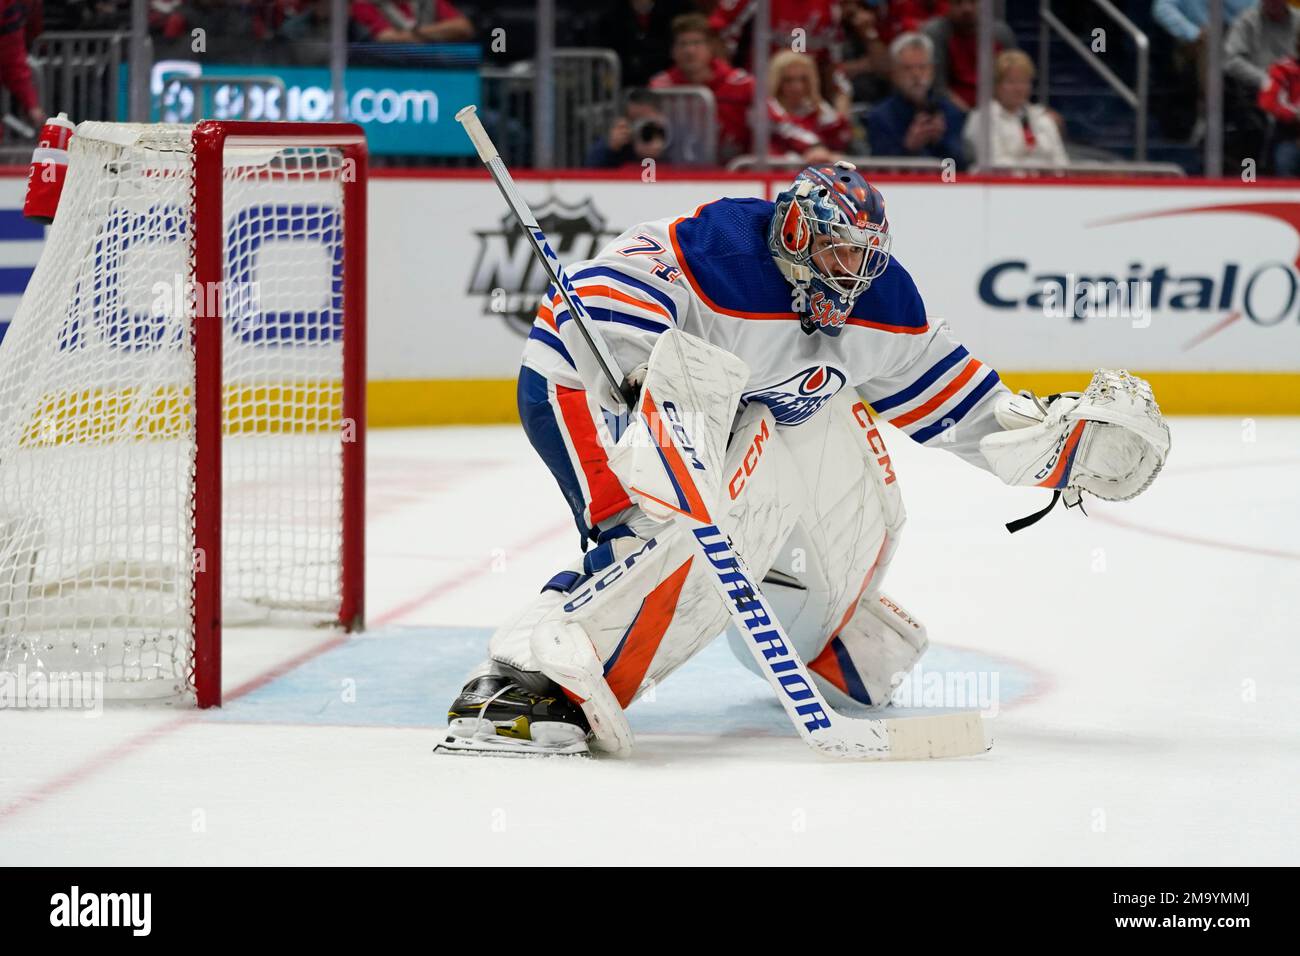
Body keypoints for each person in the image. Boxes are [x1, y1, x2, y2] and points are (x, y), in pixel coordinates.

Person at [436, 162, 1170, 757]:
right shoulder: (722, 248)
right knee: (664, 527)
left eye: (863, 255)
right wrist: (635, 358)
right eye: (836, 248)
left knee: (851, 461)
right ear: (792, 229)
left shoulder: (881, 303)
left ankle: (817, 639)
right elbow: (600, 295)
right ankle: (523, 678)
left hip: (716, 410)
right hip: (581, 395)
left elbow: (963, 405)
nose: (850, 271)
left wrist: (1053, 445)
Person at [649, 13, 755, 162]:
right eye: (683, 44)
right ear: (673, 50)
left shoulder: (742, 84)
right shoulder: (660, 87)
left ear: (711, 47)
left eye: (697, 43)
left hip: (733, 173)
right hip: (675, 173)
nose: (689, 50)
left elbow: (777, 125)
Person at [866, 32, 966, 166]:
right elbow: (879, 170)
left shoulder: (950, 112)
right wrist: (909, 147)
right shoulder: (880, 117)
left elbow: (961, 168)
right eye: (907, 68)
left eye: (922, 67)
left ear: (932, 70)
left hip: (945, 185)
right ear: (894, 73)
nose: (916, 74)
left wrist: (941, 141)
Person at [963, 49, 1067, 167]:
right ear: (996, 85)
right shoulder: (983, 118)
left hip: (1045, 183)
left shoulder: (1042, 117)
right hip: (1000, 184)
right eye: (1011, 82)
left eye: (1024, 82)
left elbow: (1061, 162)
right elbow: (994, 164)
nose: (1019, 88)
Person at [922, 0, 1018, 111]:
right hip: (951, 111)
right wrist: (970, 115)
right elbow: (938, 87)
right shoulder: (935, 33)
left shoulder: (1001, 34)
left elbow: (1016, 78)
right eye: (959, 3)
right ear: (948, 5)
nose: (967, 9)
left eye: (973, 2)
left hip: (994, 109)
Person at [766, 50, 853, 162]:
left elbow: (841, 137)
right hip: (774, 173)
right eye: (788, 80)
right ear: (777, 81)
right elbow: (789, 131)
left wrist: (842, 118)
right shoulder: (766, 107)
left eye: (803, 79)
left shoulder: (817, 107)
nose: (797, 87)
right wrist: (816, 148)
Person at [585, 90, 671, 168]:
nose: (641, 126)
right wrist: (611, 148)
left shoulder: (673, 140)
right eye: (635, 120)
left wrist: (659, 155)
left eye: (646, 119)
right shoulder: (622, 144)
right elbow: (590, 173)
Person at [1257, 32, 1300, 174]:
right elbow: (1268, 101)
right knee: (1286, 161)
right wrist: (1295, 115)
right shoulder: (1282, 69)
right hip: (1290, 135)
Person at [350, 0, 473, 43]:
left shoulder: (428, 2)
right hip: (388, 71)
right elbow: (386, 37)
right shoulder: (365, 4)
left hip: (433, 69)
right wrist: (437, 33)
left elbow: (464, 28)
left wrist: (417, 31)